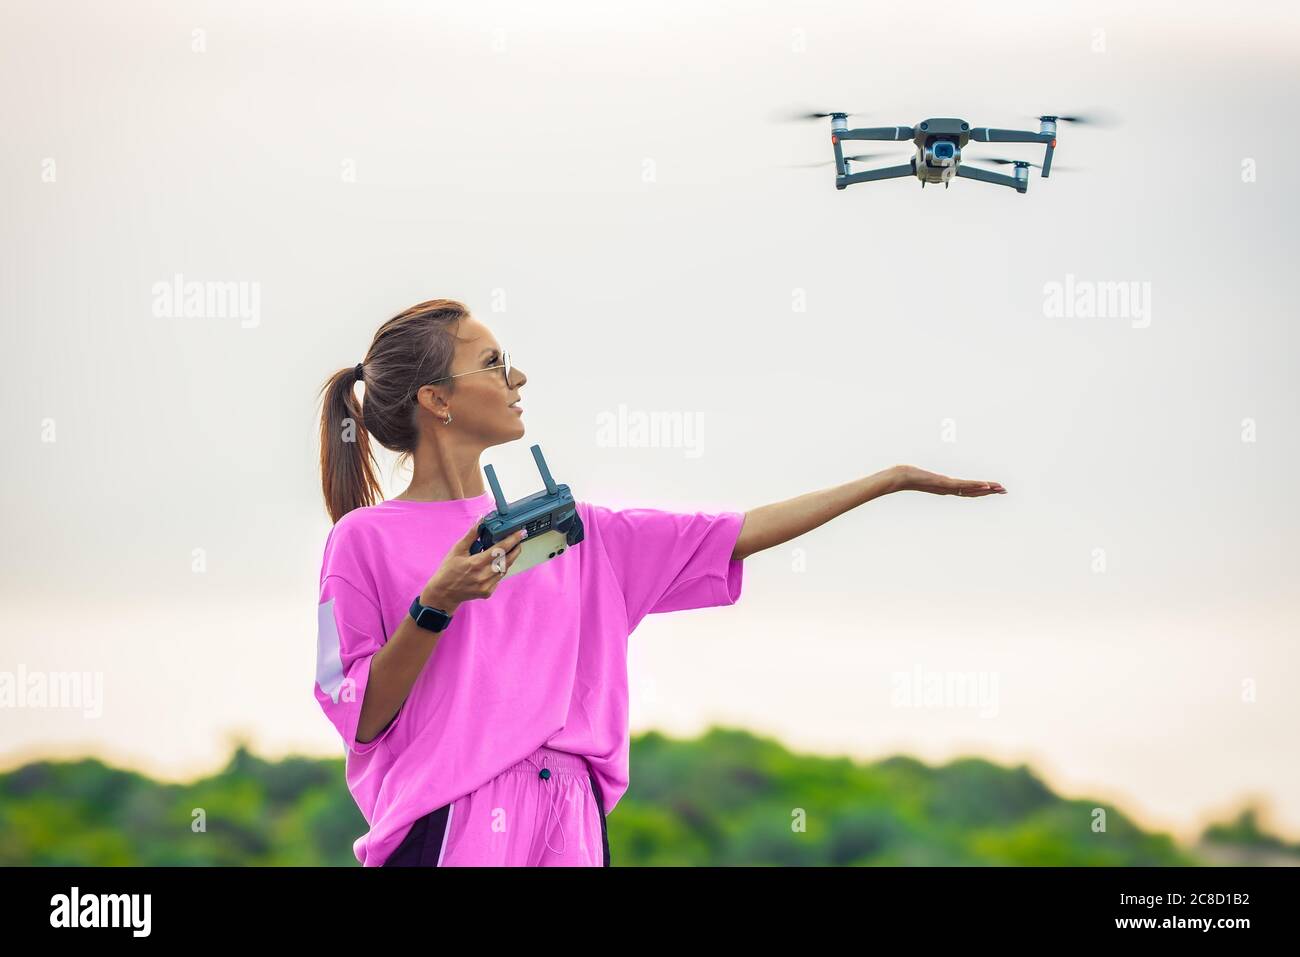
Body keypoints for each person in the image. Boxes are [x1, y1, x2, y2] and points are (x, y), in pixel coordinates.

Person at [313, 298, 1006, 867]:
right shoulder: (361, 542)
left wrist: (889, 479)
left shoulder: (578, 533)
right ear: (437, 398)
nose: (517, 379)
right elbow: (362, 714)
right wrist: (436, 603)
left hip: (570, 816)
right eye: (494, 363)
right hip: (450, 820)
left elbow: (736, 531)